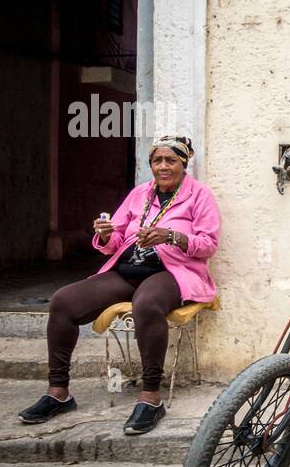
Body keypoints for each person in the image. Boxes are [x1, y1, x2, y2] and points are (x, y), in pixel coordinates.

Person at [18, 135, 221, 434]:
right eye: (157, 160)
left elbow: (209, 244)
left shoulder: (200, 196)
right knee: (63, 301)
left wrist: (171, 236)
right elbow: (115, 240)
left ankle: (151, 397)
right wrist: (103, 234)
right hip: (127, 270)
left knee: (147, 304)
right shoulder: (140, 194)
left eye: (171, 160)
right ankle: (58, 392)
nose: (163, 166)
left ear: (183, 163)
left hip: (171, 272)